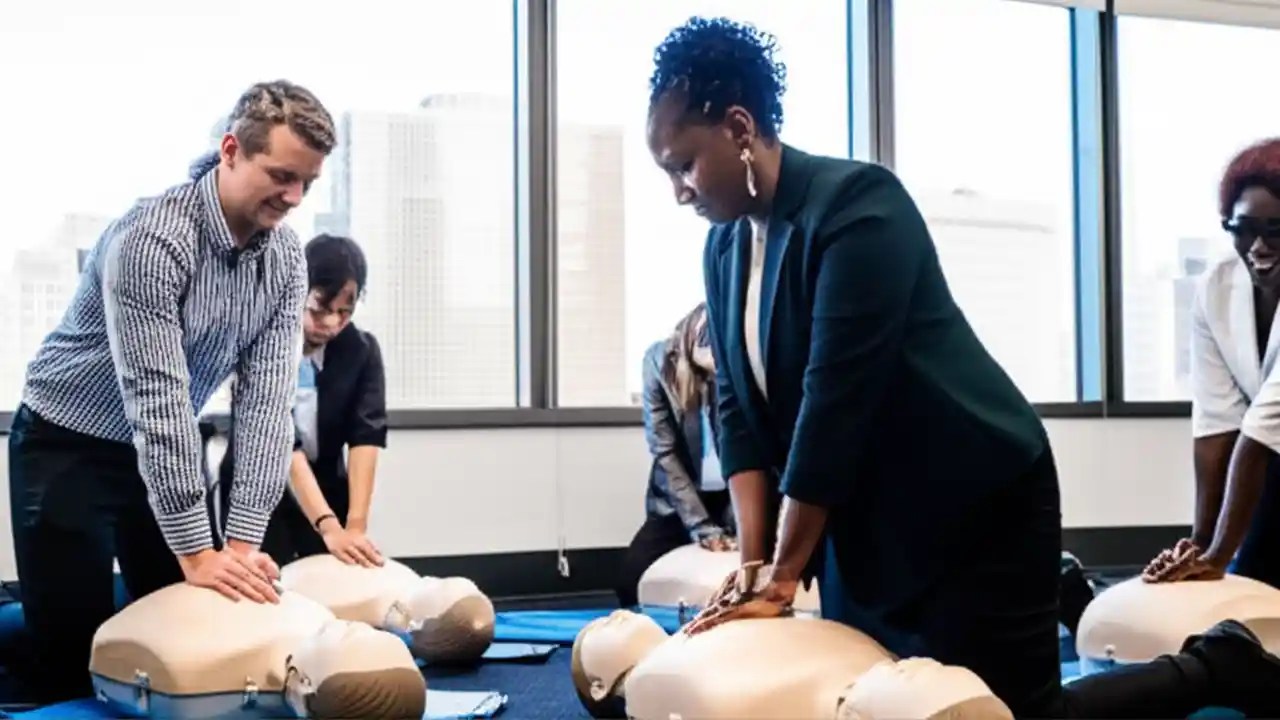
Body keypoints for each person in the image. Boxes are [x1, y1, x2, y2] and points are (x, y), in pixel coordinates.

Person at [642, 16, 1280, 717]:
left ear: (738, 127)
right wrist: (754, 569)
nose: (678, 190)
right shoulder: (724, 251)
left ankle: (1213, 666)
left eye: (683, 164)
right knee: (883, 702)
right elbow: (741, 417)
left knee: (1010, 713)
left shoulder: (858, 206)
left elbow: (835, 404)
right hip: (867, 518)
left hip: (975, 498)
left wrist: (783, 575)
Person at [8, 79, 332, 703]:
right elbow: (157, 398)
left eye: (307, 183)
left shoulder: (287, 260)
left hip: (156, 452)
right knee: (76, 658)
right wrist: (197, 551)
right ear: (232, 150)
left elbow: (266, 407)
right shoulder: (153, 241)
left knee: (195, 631)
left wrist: (238, 543)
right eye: (282, 175)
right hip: (65, 443)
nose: (294, 197)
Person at [1144, 138, 1280, 589]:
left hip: (1271, 448)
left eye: (1276, 229)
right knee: (1250, 576)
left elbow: (1261, 430)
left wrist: (1219, 556)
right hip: (1270, 452)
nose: (1258, 246)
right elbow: (1218, 424)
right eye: (1244, 229)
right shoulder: (1216, 287)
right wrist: (1199, 544)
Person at [219, 234, 387, 568]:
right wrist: (328, 525)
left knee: (334, 582)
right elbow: (283, 443)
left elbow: (365, 437)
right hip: (258, 487)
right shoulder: (261, 342)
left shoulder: (361, 350)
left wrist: (353, 526)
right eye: (319, 309)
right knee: (266, 589)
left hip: (326, 482)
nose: (331, 324)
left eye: (344, 312)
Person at [617, 303, 737, 608]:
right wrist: (701, 527)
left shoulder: (740, 361)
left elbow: (751, 448)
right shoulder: (658, 362)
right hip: (678, 499)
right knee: (630, 580)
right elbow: (665, 451)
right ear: (694, 336)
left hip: (735, 495)